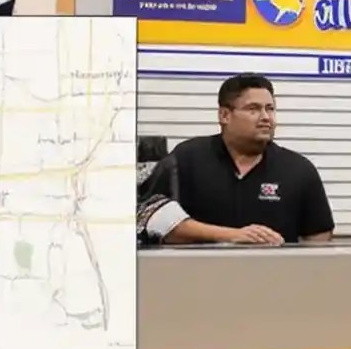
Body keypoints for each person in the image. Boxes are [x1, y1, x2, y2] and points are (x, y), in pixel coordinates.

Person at [138, 73, 334, 246]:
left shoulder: (299, 169)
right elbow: (151, 217)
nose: (266, 117)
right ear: (224, 115)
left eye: (270, 108)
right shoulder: (186, 158)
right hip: (198, 280)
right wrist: (231, 236)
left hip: (274, 282)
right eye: (253, 109)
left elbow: (318, 237)